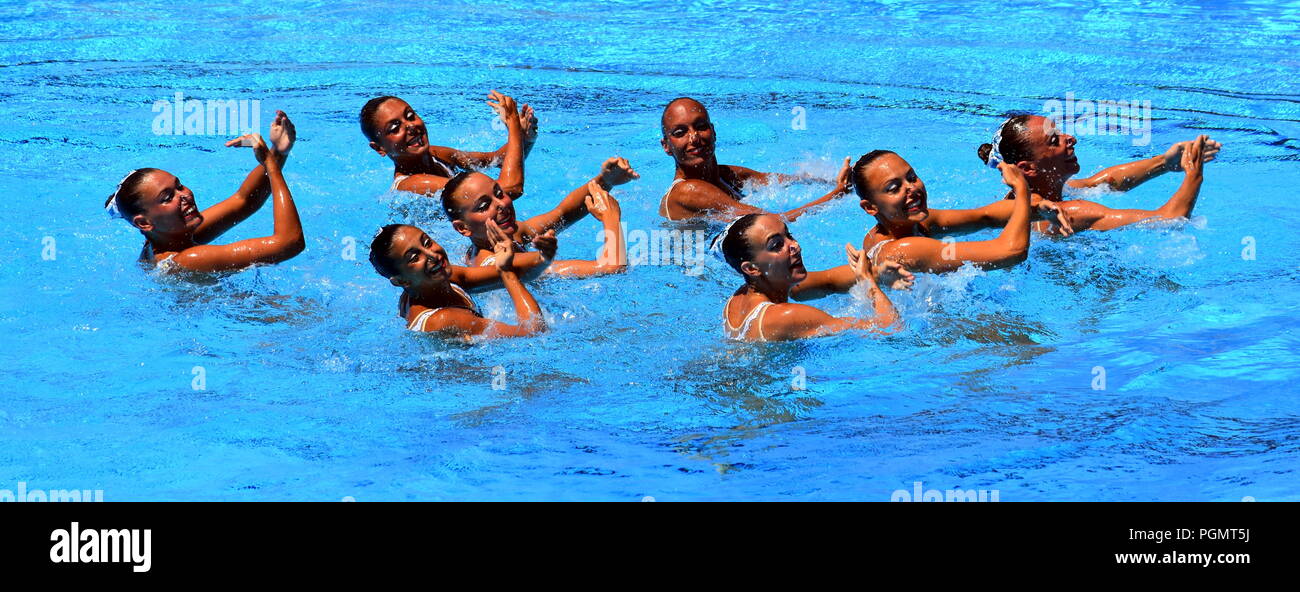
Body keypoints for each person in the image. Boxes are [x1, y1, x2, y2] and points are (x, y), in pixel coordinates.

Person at [105, 111, 304, 274]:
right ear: (143, 222)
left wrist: (278, 152)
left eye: (179, 185)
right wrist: (269, 164)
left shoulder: (163, 238)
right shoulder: (189, 260)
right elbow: (289, 243)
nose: (185, 195)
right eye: (167, 197)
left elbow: (244, 201)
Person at [977, 114, 1216, 232]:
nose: (1070, 138)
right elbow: (1171, 219)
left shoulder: (1028, 198)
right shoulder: (1070, 212)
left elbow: (1104, 182)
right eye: (1054, 140)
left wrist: (1164, 162)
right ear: (1028, 168)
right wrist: (1194, 173)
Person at [658, 97, 852, 222]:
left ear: (714, 132)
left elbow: (786, 181)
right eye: (680, 132)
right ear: (666, 146)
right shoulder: (689, 190)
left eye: (701, 127)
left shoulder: (726, 174)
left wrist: (840, 181)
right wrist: (837, 193)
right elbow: (773, 221)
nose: (694, 138)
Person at [439, 157, 636, 276]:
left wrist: (605, 181)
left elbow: (562, 214)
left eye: (499, 193)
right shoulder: (497, 263)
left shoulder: (506, 236)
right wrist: (611, 219)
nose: (501, 204)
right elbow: (611, 267)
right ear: (462, 228)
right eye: (484, 206)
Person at [719, 213, 899, 341]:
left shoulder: (739, 298)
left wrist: (877, 273)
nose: (795, 245)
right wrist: (868, 283)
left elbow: (828, 281)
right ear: (751, 268)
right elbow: (889, 328)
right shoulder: (785, 316)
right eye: (776, 245)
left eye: (788, 235)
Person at [369, 222, 546, 339]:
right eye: (415, 257)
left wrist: (545, 255)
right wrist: (507, 272)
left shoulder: (433, 279)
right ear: (401, 282)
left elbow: (521, 272)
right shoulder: (444, 320)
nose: (433, 254)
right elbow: (535, 333)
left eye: (427, 242)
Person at [360, 91, 538, 197]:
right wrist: (513, 123)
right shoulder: (413, 184)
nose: (410, 127)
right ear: (379, 148)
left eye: (410, 116)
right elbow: (508, 190)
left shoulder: (437, 154)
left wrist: (525, 137)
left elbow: (496, 161)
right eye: (395, 127)